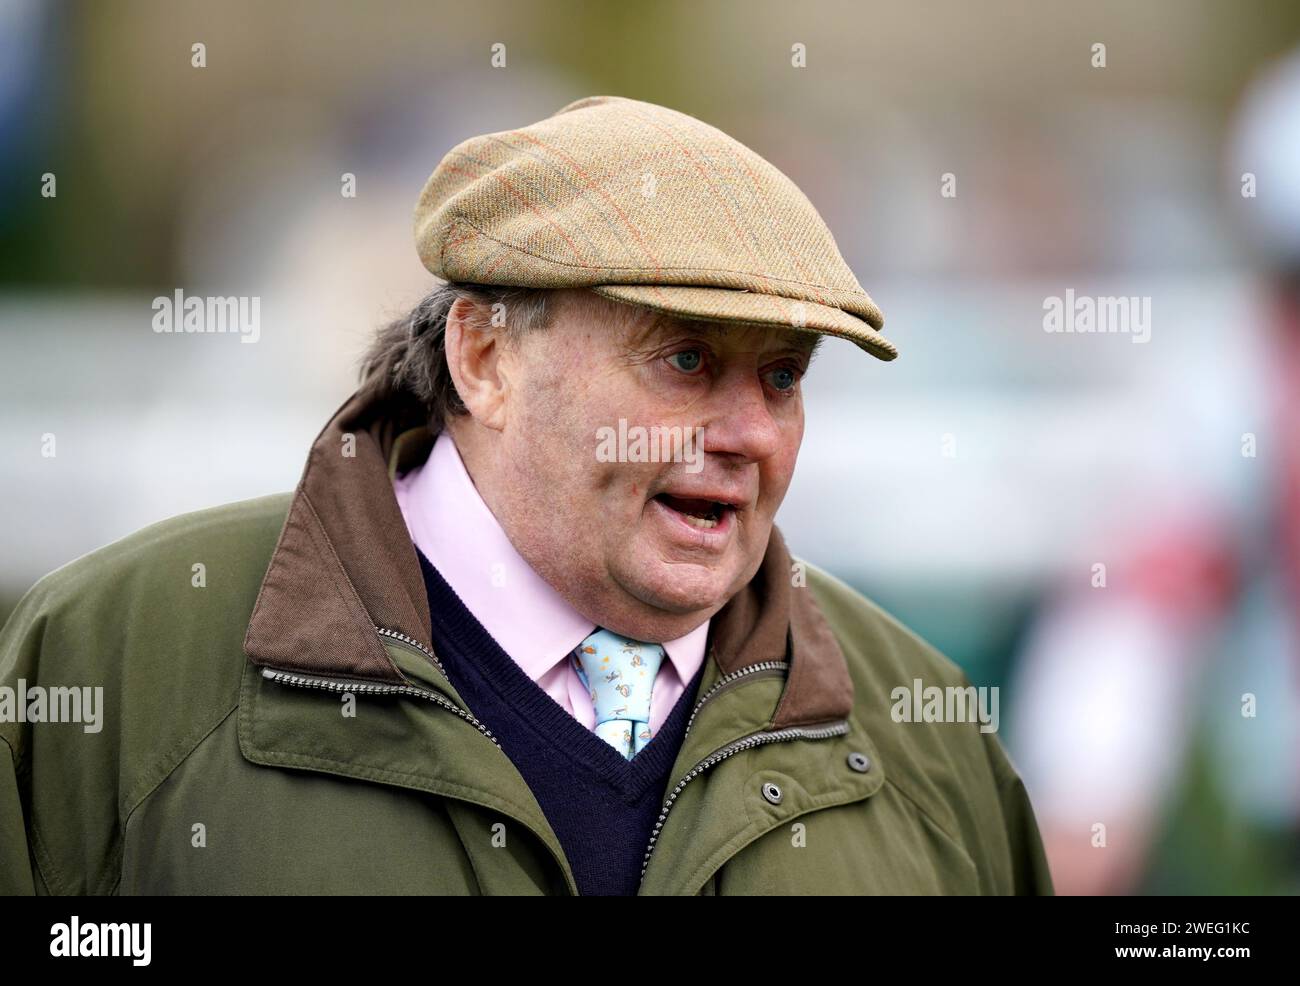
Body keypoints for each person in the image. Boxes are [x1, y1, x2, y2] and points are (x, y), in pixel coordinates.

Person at [0, 95, 1053, 895]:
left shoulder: (923, 732)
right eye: (684, 359)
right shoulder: (118, 663)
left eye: (782, 376)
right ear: (484, 354)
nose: (746, 433)